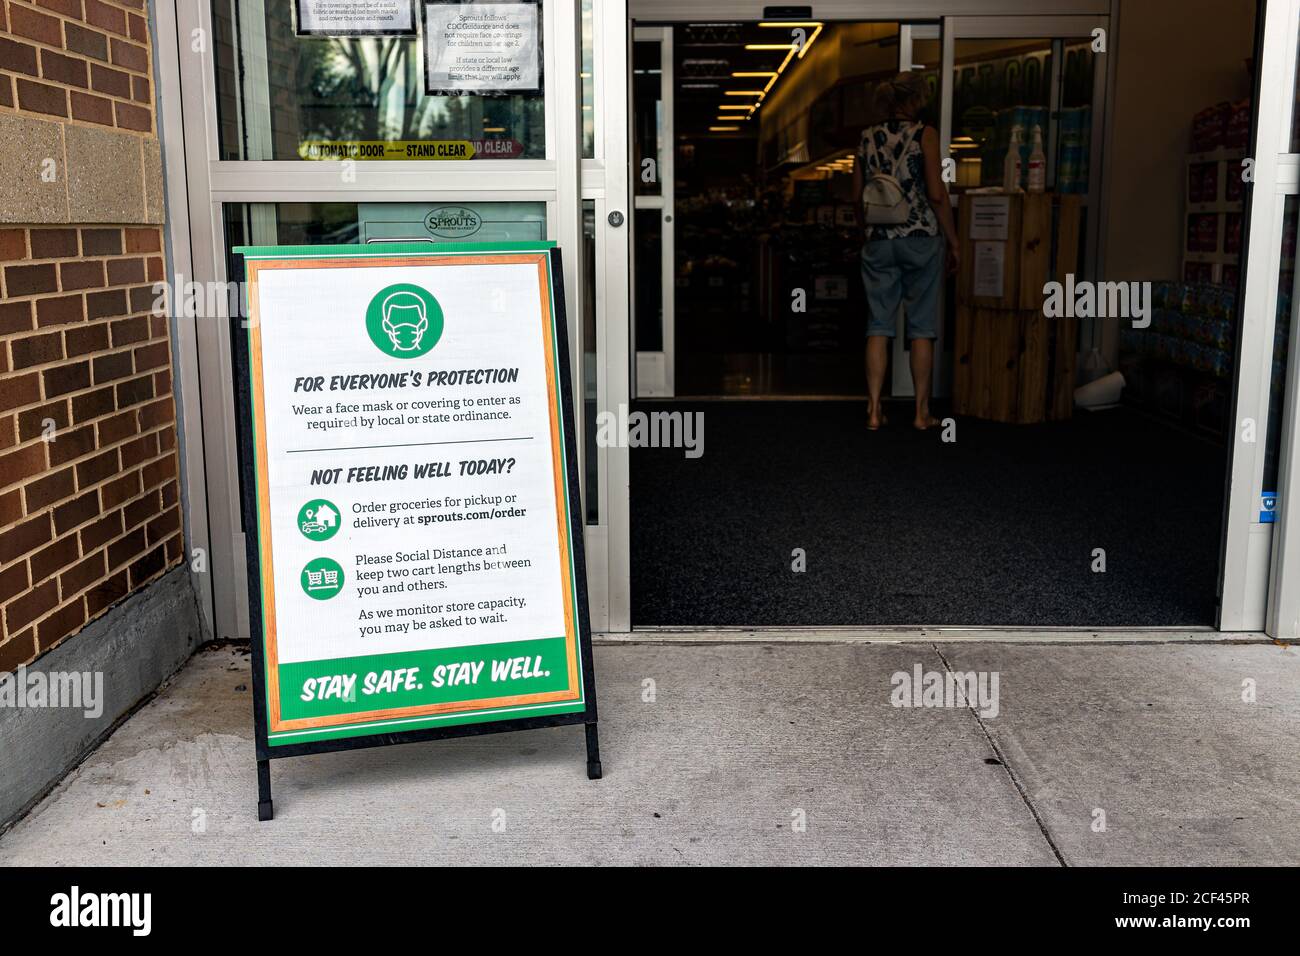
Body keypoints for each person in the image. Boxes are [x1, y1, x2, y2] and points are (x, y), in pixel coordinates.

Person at [853, 72, 959, 430]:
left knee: (878, 325)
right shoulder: (924, 134)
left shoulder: (866, 137)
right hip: (920, 239)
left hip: (879, 240)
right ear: (916, 100)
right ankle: (920, 413)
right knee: (921, 328)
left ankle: (872, 411)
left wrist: (865, 235)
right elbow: (936, 193)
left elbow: (857, 197)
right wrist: (953, 240)